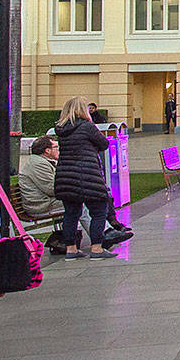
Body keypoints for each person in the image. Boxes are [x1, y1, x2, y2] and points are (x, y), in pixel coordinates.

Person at [53, 97, 122, 258]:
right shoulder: (87, 127)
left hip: (66, 177)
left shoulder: (61, 129)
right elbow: (104, 143)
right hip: (88, 176)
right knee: (98, 211)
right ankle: (96, 247)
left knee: (71, 213)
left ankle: (71, 248)